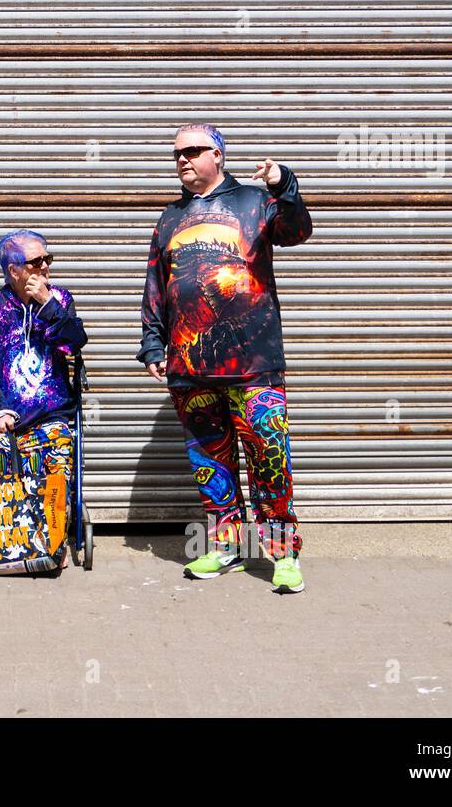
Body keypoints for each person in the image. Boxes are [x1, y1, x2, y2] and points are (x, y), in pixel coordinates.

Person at [137, 124, 313, 593]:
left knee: (270, 458)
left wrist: (285, 184)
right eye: (177, 153)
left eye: (193, 151)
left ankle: (283, 555)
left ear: (218, 155)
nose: (183, 159)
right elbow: (157, 287)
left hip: (253, 362)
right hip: (190, 367)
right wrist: (153, 343)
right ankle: (226, 547)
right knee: (209, 462)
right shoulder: (169, 218)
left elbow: (297, 231)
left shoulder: (255, 202)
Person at [0, 229, 88, 557]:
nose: (46, 266)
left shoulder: (60, 299)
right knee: (0, 450)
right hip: (7, 415)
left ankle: (53, 543)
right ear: (14, 271)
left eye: (48, 258)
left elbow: (73, 342)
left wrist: (46, 304)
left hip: (51, 412)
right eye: (36, 262)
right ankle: (13, 543)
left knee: (58, 447)